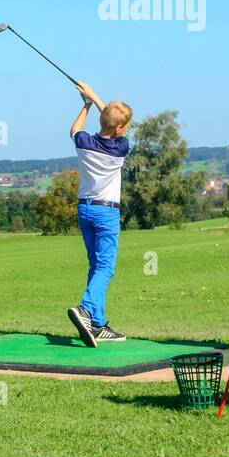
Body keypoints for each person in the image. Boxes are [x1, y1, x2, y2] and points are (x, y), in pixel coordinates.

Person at [65, 81, 133, 347]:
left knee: (96, 267)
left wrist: (87, 104)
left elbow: (74, 129)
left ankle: (98, 323)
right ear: (119, 129)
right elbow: (113, 122)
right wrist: (95, 98)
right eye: (124, 126)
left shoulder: (84, 142)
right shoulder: (121, 147)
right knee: (106, 267)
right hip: (106, 214)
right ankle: (84, 309)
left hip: (84, 210)